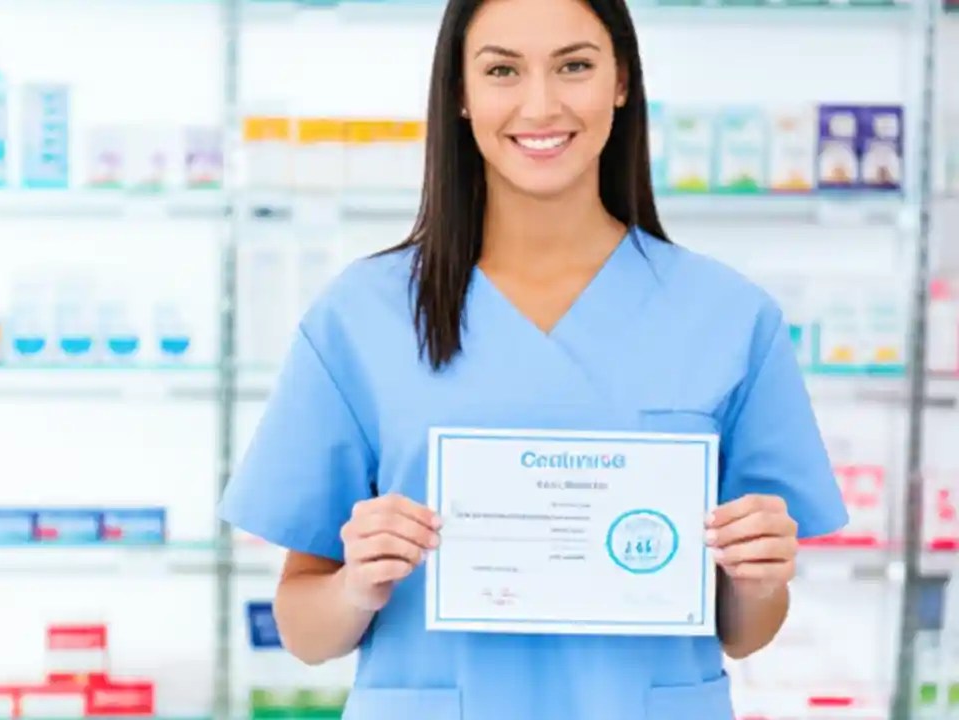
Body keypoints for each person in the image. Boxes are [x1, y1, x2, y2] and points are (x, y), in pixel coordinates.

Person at [218, 0, 850, 716]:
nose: (541, 104)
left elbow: (745, 632)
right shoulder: (363, 315)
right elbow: (304, 632)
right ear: (460, 92)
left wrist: (759, 581)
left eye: (574, 66)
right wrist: (358, 586)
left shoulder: (729, 317)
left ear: (621, 81)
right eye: (502, 70)